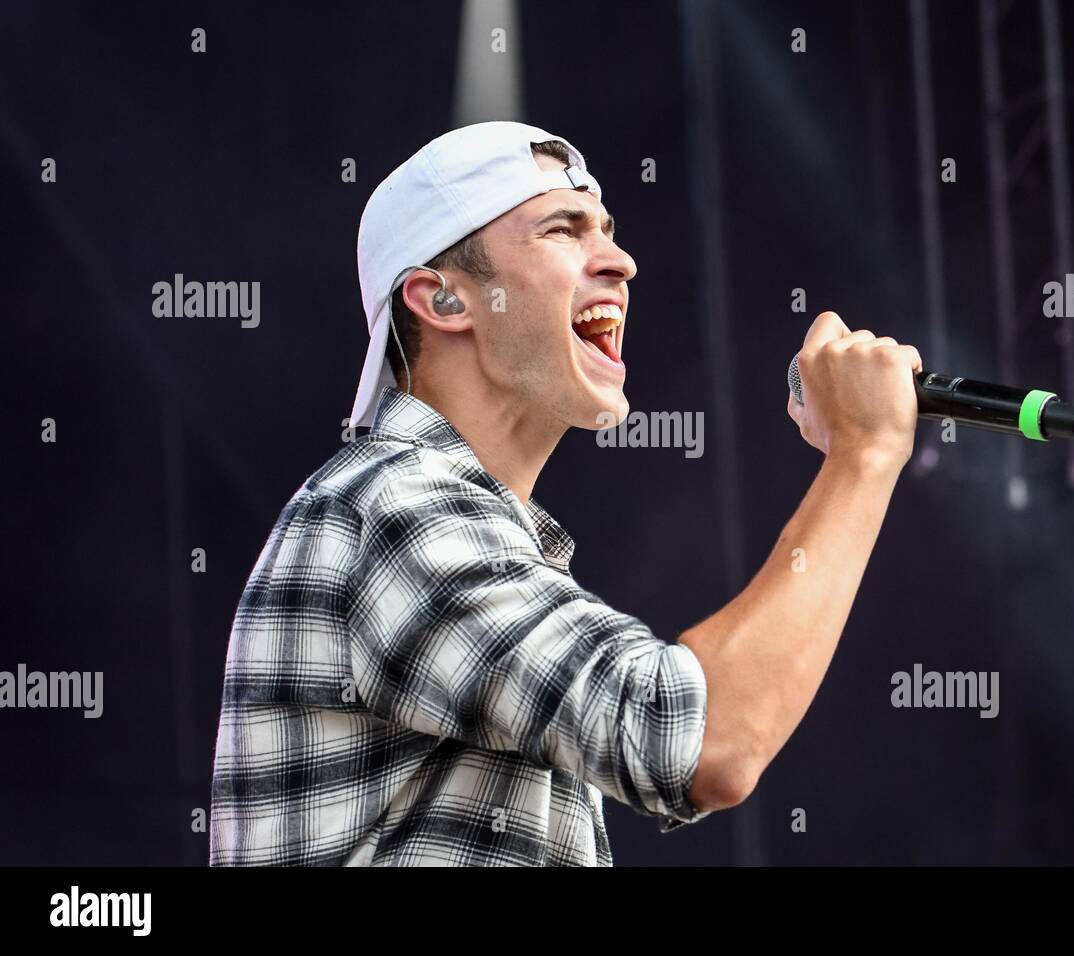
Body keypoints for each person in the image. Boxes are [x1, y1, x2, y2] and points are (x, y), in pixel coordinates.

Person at [209, 121, 921, 866]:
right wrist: (863, 454)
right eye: (564, 230)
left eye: (608, 230)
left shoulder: (458, 521)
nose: (621, 261)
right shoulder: (392, 505)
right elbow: (704, 742)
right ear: (443, 300)